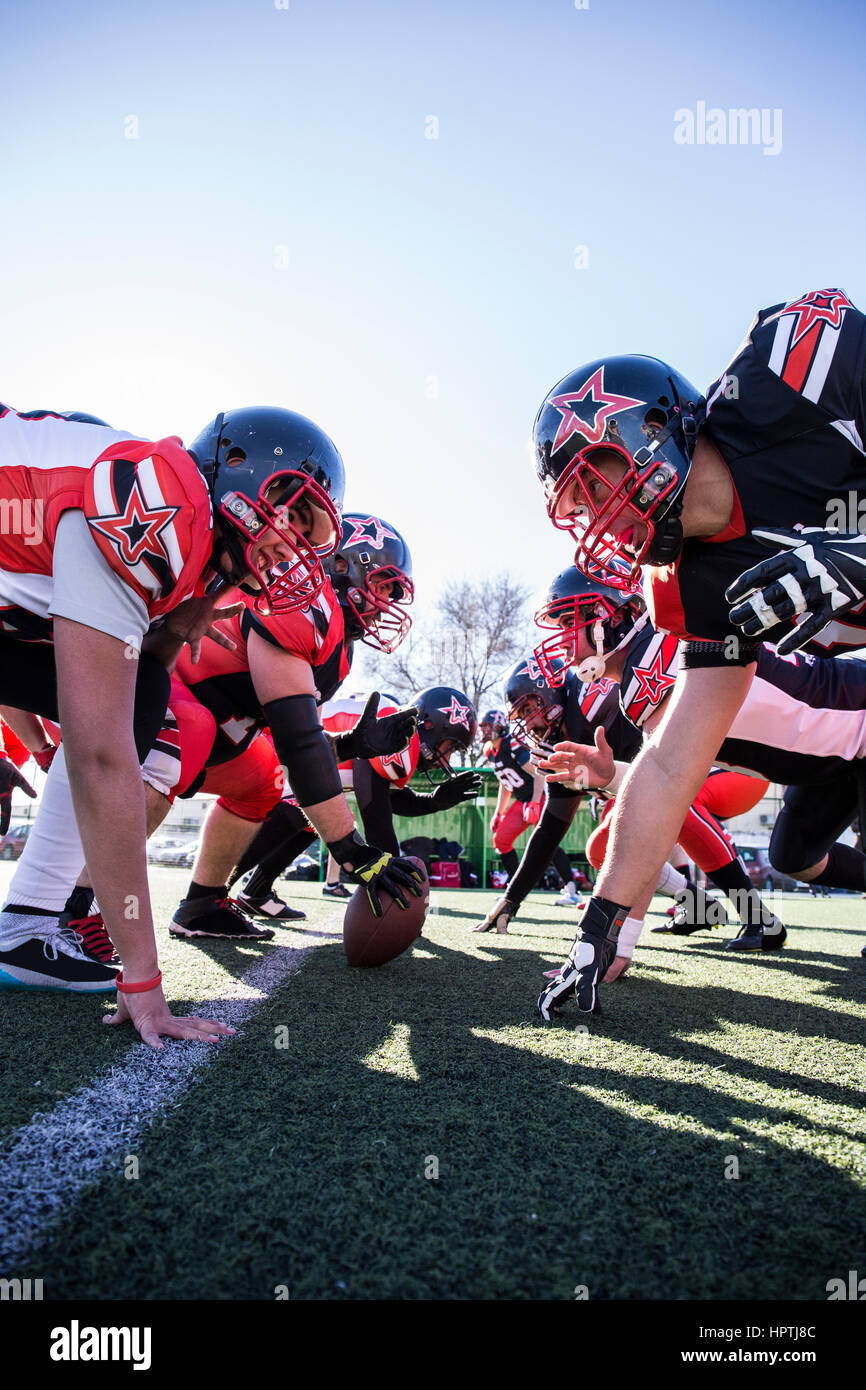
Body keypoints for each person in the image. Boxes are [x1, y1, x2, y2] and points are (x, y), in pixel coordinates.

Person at [530, 288, 866, 1017]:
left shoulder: (792, 367)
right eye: (579, 509)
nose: (596, 522)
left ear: (649, 432)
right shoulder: (687, 586)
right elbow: (675, 761)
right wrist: (603, 925)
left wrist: (856, 556)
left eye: (595, 487)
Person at [0, 404, 345, 1046]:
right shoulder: (167, 499)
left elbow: (141, 678)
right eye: (289, 508)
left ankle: (26, 926)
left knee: (145, 698)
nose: (292, 538)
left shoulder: (192, 551)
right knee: (122, 727)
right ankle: (32, 923)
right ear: (235, 468)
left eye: (307, 525)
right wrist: (145, 984)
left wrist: (207, 594)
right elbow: (101, 752)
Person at [537, 566, 866, 1006]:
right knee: (793, 856)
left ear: (612, 618)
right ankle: (751, 915)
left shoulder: (654, 657)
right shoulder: (640, 672)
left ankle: (746, 916)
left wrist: (620, 938)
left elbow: (661, 801)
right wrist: (613, 774)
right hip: (827, 763)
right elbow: (663, 780)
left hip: (858, 720)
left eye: (567, 622)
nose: (561, 639)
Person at [478, 708, 575, 900]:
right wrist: (499, 812)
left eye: (489, 726)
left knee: (549, 841)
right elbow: (505, 783)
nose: (485, 731)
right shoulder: (489, 751)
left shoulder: (513, 745)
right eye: (483, 727)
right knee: (501, 840)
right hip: (522, 800)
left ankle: (572, 889)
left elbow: (538, 772)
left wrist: (534, 802)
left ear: (500, 727)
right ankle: (515, 888)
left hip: (538, 797)